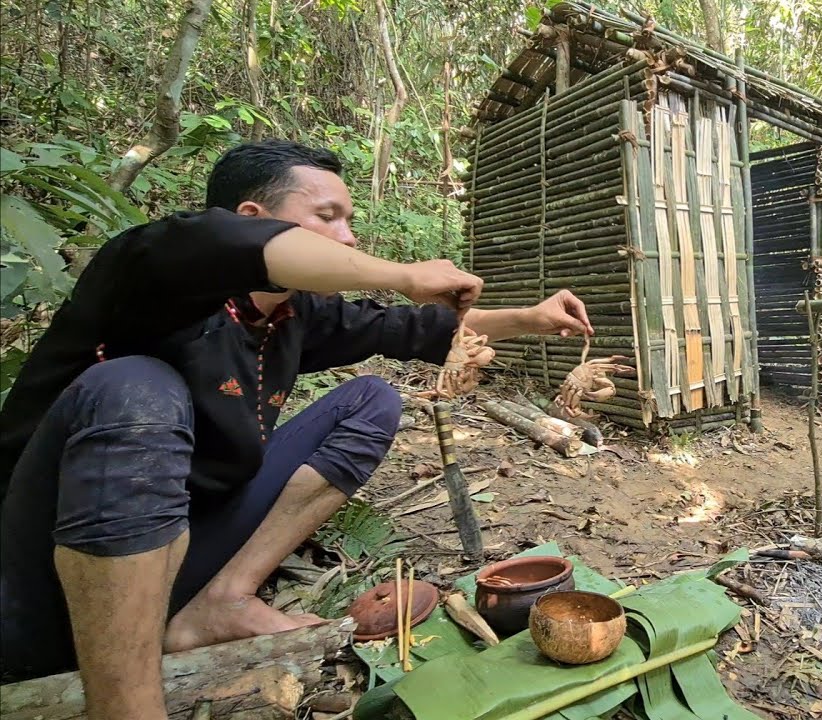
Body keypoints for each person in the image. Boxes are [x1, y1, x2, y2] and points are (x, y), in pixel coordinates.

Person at [0, 139, 592, 718]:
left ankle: (222, 599)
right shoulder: (151, 270)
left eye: (350, 220)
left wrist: (533, 318)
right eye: (327, 217)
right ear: (251, 219)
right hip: (41, 581)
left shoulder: (293, 314)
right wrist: (399, 272)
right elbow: (225, 246)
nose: (348, 236)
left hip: (175, 556)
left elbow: (411, 329)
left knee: (372, 400)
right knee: (133, 388)